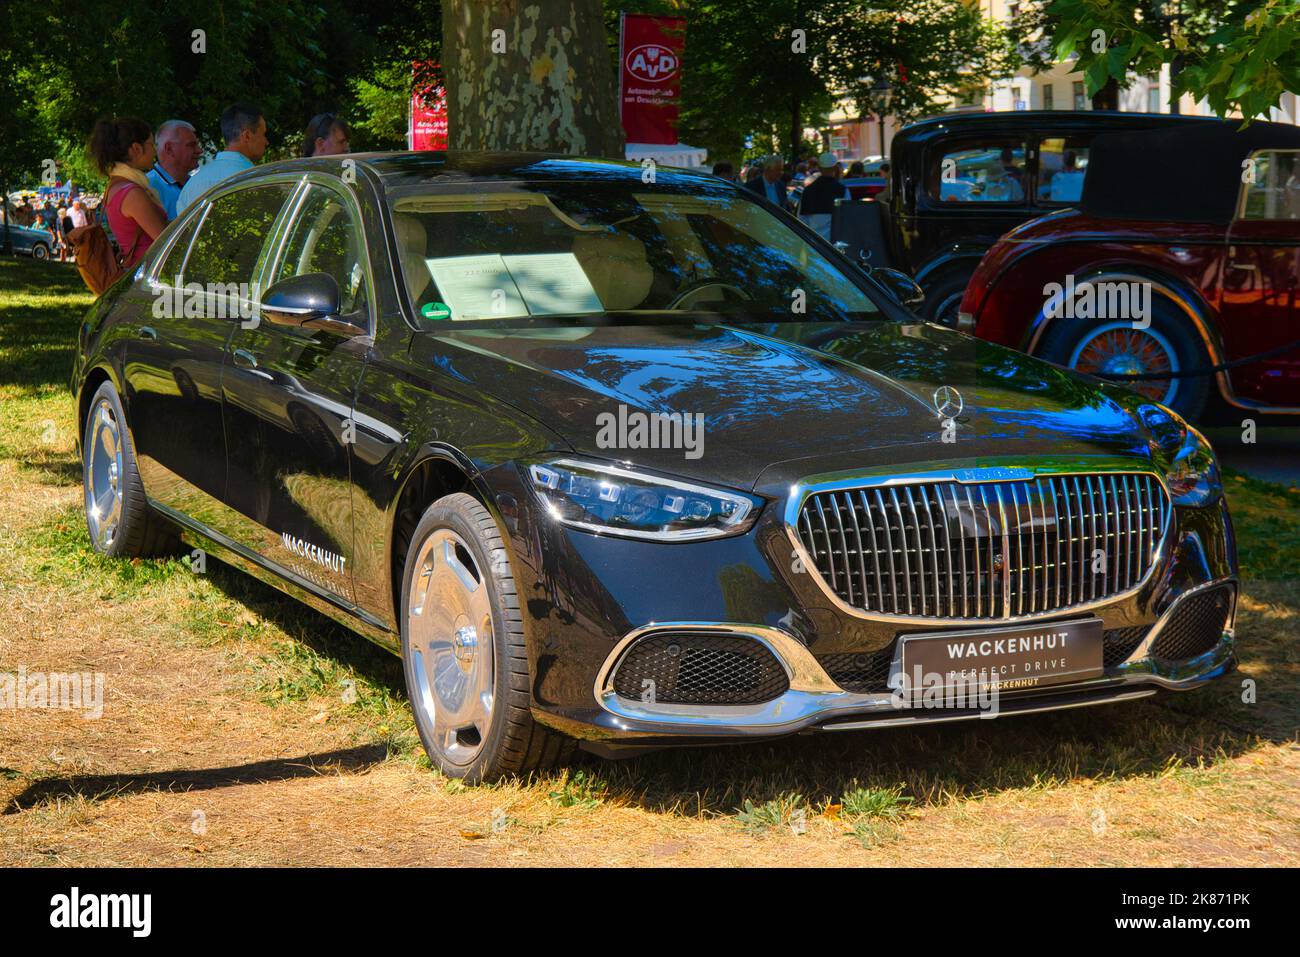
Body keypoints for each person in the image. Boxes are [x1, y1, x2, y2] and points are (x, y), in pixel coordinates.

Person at [89, 115, 167, 269]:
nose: (155, 150)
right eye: (152, 144)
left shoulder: (115, 185)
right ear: (137, 149)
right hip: (148, 272)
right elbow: (167, 240)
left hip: (137, 271)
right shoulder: (133, 193)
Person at [176, 103, 268, 215]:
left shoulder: (191, 186)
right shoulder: (258, 180)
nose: (266, 142)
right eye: (263, 134)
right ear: (247, 136)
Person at [146, 119, 202, 220]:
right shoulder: (147, 188)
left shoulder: (197, 183)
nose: (199, 150)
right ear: (169, 149)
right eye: (191, 145)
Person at [797, 151, 850, 240]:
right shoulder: (843, 190)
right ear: (834, 168)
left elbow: (801, 218)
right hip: (834, 241)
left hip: (813, 240)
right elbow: (847, 217)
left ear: (819, 168)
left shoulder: (808, 190)